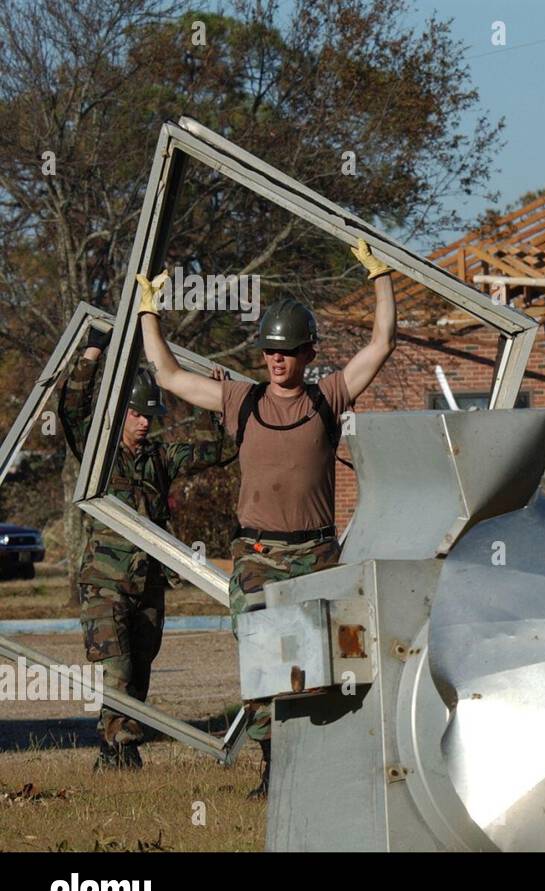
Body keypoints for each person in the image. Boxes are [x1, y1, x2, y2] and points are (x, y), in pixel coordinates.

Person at [136, 238, 396, 798]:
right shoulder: (243, 401)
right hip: (257, 556)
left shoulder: (328, 397)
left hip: (318, 554)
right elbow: (169, 375)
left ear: (308, 354)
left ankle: (331, 766)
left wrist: (381, 278)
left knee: (328, 659)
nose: (277, 361)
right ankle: (273, 765)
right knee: (262, 659)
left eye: (288, 351)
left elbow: (381, 343)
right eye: (269, 352)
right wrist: (148, 312)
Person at [59, 328, 234, 769]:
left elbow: (218, 451)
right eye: (136, 415)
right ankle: (117, 748)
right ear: (120, 414)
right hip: (104, 582)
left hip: (148, 583)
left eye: (148, 416)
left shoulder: (160, 458)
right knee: (116, 667)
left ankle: (119, 749)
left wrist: (221, 398)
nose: (143, 423)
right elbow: (71, 408)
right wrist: (93, 353)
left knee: (138, 669)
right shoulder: (97, 452)